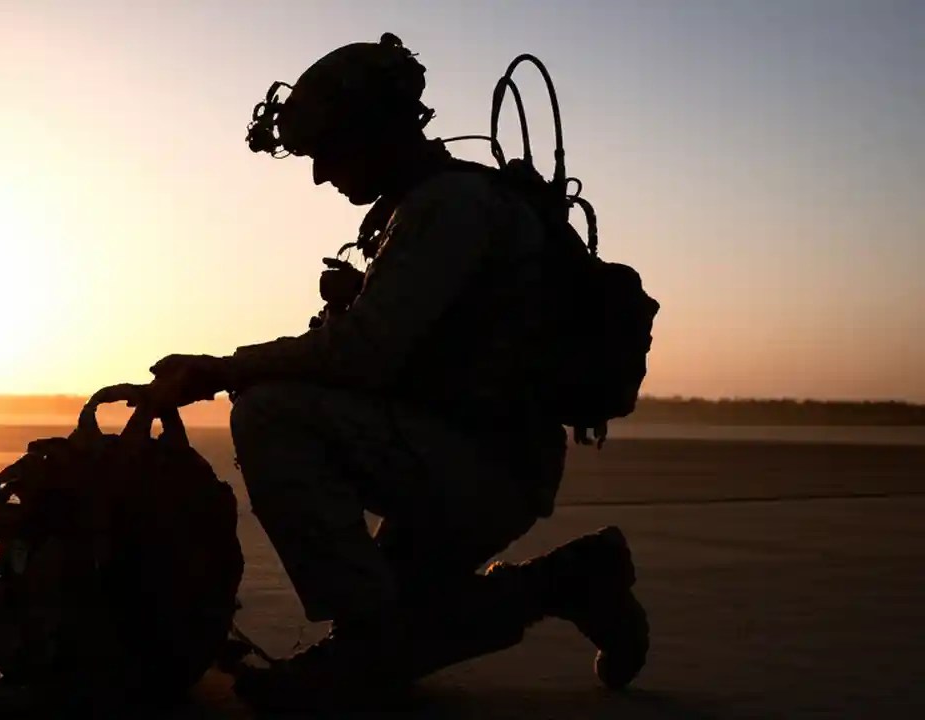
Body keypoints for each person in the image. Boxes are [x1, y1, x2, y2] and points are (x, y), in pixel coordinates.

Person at [147, 33, 648, 712]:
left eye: (327, 150)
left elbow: (361, 354)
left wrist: (219, 370)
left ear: (372, 130)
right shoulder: (426, 208)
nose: (322, 174)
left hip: (480, 465)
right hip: (471, 457)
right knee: (413, 628)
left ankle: (368, 644)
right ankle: (573, 581)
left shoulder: (452, 208)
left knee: (270, 411)